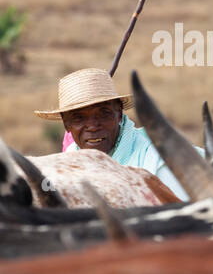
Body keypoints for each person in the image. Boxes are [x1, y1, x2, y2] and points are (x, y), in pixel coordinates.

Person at [35, 68, 190, 200]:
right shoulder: (68, 161)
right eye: (79, 118)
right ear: (66, 124)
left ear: (119, 113)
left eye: (104, 114)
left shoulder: (158, 161)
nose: (93, 126)